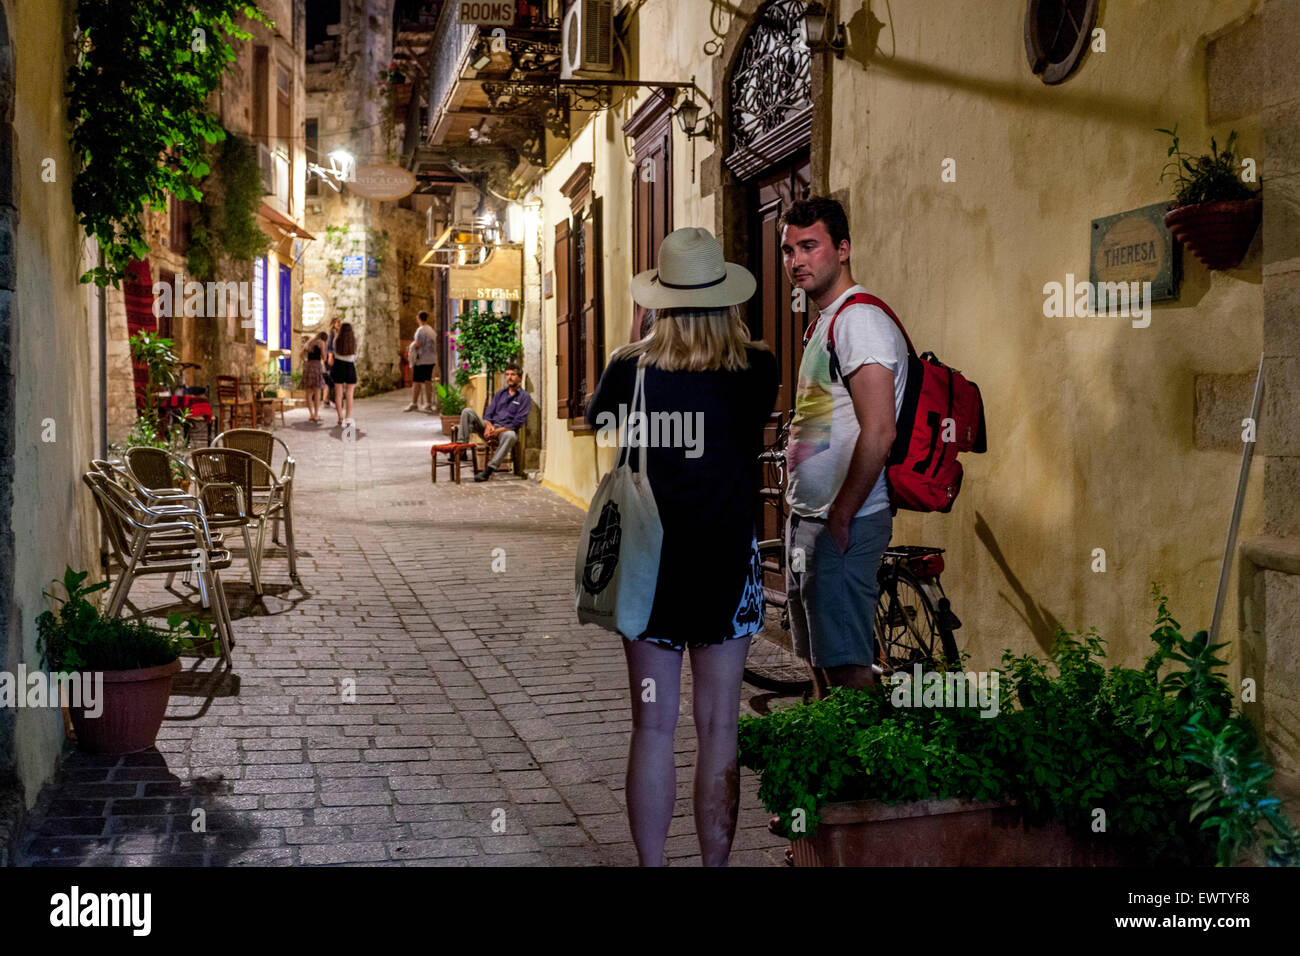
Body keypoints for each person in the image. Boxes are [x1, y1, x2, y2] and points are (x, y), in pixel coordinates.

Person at [586, 226, 778, 867]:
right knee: (720, 728)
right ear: (726, 296)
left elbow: (598, 421)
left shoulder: (626, 369)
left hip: (649, 569)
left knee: (653, 726)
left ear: (658, 299)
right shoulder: (758, 367)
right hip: (725, 569)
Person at [780, 197, 908, 699]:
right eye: (789, 250)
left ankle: (865, 773)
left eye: (810, 246)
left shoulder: (859, 320)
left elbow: (880, 431)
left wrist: (842, 515)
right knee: (819, 656)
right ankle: (834, 769)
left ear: (844, 248)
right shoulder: (825, 320)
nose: (796, 261)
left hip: (844, 521)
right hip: (810, 517)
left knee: (849, 668)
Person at [460, 362, 531, 482]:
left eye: (513, 374)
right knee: (467, 412)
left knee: (511, 436)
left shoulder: (524, 397)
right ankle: (462, 448)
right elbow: (488, 413)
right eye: (507, 374)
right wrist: (488, 426)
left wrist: (497, 431)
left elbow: (518, 422)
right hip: (490, 428)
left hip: (504, 431)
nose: (509, 377)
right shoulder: (500, 394)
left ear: (519, 377)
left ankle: (488, 471)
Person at [405, 310, 438, 412]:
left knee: (416, 382)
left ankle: (414, 403)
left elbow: (418, 344)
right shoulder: (431, 330)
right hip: (431, 359)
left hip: (421, 360)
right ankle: (428, 403)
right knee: (428, 381)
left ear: (418, 318)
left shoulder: (420, 330)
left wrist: (411, 347)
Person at [328, 321, 359, 427]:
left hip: (338, 365)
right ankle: (348, 417)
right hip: (350, 366)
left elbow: (334, 351)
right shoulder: (354, 341)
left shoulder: (336, 339)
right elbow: (356, 355)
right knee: (350, 394)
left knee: (338, 394)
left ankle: (340, 417)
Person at [301, 331, 327, 423]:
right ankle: (316, 415)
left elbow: (301, 354)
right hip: (316, 366)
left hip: (308, 366)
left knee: (308, 392)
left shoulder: (309, 342)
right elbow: (324, 357)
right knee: (317, 391)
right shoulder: (322, 343)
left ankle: (311, 414)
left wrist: (305, 361)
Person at [323, 318, 340, 407]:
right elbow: (330, 346)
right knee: (332, 379)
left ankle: (326, 399)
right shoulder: (332, 332)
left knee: (330, 379)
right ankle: (331, 399)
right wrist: (330, 356)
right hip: (331, 357)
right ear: (333, 323)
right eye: (337, 322)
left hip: (334, 357)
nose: (339, 324)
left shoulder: (337, 332)